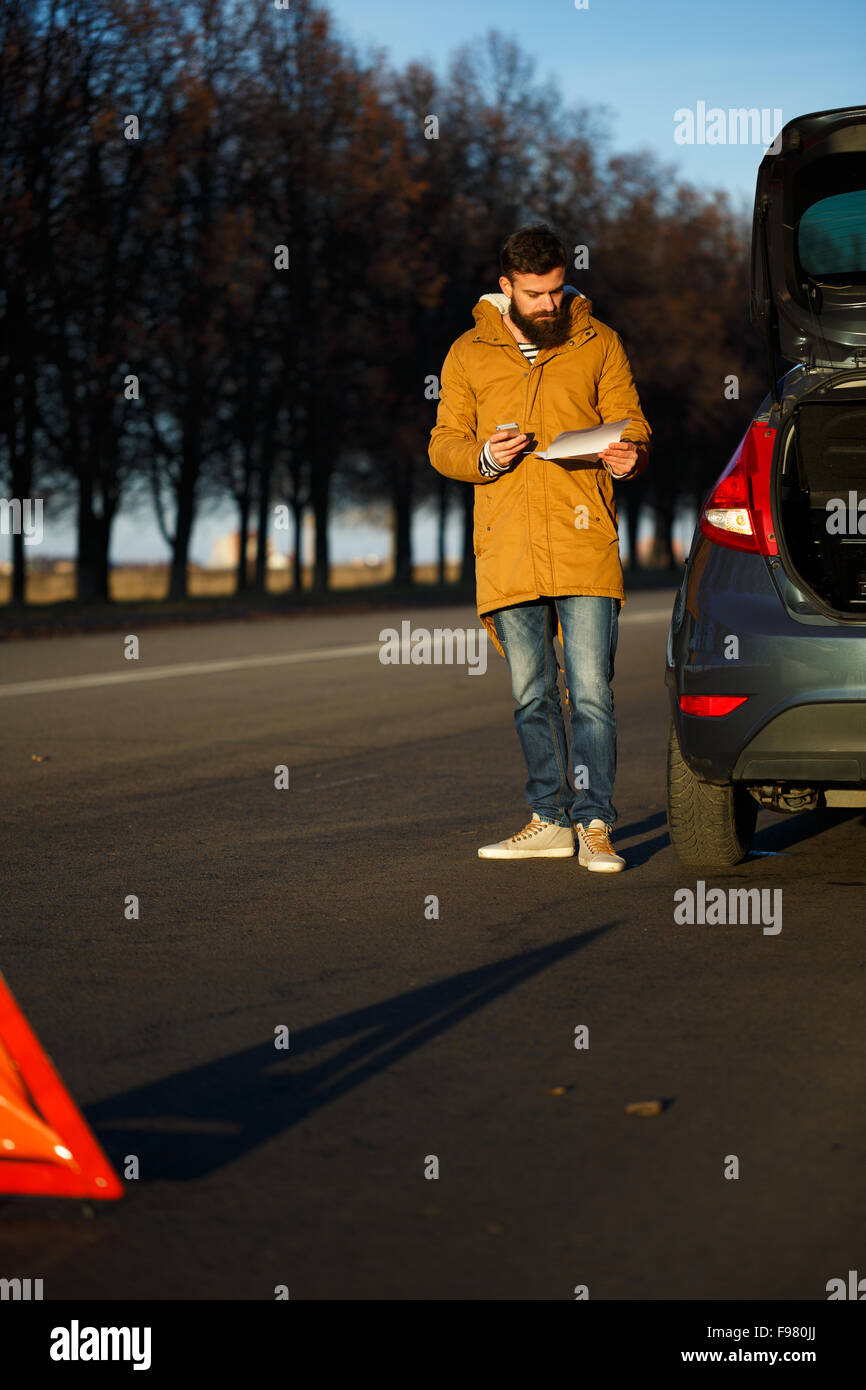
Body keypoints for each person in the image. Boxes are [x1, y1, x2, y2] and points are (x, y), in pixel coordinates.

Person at [428, 223, 651, 872]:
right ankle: (550, 818)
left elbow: (632, 421)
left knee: (592, 695)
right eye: (534, 294)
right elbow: (444, 443)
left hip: (585, 541)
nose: (549, 305)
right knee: (531, 694)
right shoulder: (468, 353)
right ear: (507, 288)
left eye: (556, 290)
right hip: (508, 548)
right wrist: (483, 457)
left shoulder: (598, 341)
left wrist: (627, 455)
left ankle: (596, 823)